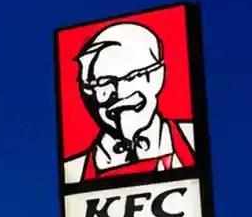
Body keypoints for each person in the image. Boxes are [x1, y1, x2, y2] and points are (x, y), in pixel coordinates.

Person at [62, 22, 196, 184]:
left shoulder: (194, 139)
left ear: (157, 77)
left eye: (131, 77)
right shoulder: (72, 172)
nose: (119, 94)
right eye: (104, 83)